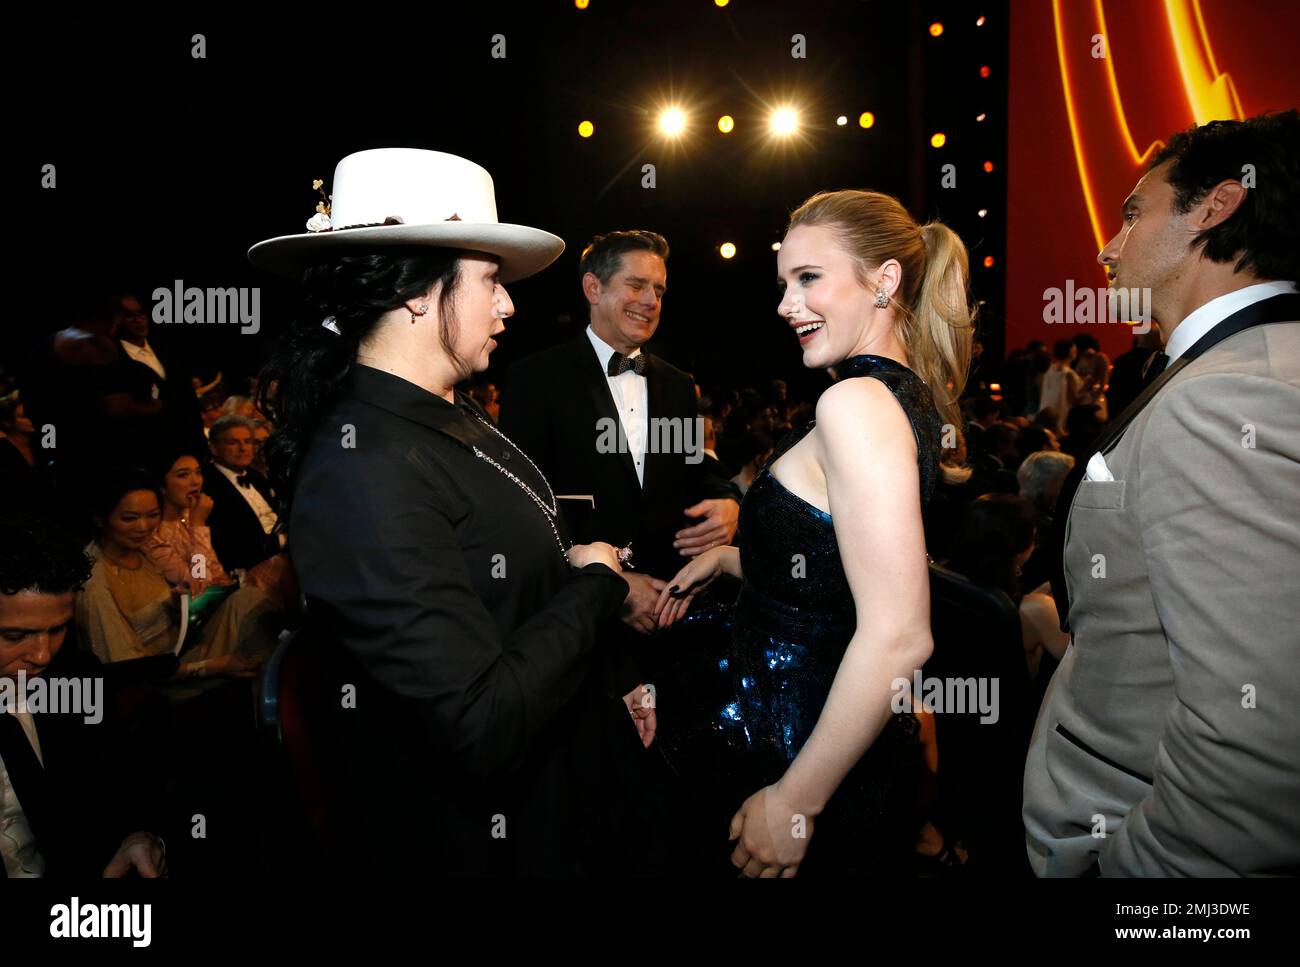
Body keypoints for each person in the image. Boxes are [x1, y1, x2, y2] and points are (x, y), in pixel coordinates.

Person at [250, 148, 657, 875]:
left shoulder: (446, 413)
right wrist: (599, 585)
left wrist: (614, 676)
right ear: (413, 292)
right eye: (491, 281)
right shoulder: (362, 468)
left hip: (567, 792)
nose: (508, 305)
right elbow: (482, 723)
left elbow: (516, 584)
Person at [654, 189, 973, 876]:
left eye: (809, 279)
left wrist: (796, 800)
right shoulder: (903, 394)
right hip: (812, 738)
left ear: (883, 281)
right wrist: (739, 560)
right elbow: (839, 566)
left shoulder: (854, 402)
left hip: (797, 752)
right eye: (783, 284)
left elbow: (899, 632)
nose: (785, 304)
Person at [1028, 110, 1300, 876]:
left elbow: (1255, 754)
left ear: (1214, 208)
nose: (1107, 247)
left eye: (1132, 213)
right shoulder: (1242, 367)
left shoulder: (1228, 399)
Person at [498, 230, 742, 637]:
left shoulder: (677, 384)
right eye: (636, 285)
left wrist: (729, 499)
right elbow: (523, 509)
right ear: (593, 287)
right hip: (578, 618)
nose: (651, 301)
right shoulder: (534, 379)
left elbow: (689, 467)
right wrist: (612, 589)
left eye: (659, 291)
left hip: (669, 610)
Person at [1, 512, 167, 877]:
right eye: (15, 636)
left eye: (58, 629)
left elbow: (119, 782)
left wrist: (136, 836)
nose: (43, 655)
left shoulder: (74, 677)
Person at [75, 470, 279, 680]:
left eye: (199, 473)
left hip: (195, 627)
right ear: (164, 487)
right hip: (165, 669)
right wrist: (198, 529)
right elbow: (200, 577)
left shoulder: (174, 527)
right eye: (182, 475)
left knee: (255, 602)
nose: (194, 482)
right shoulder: (158, 539)